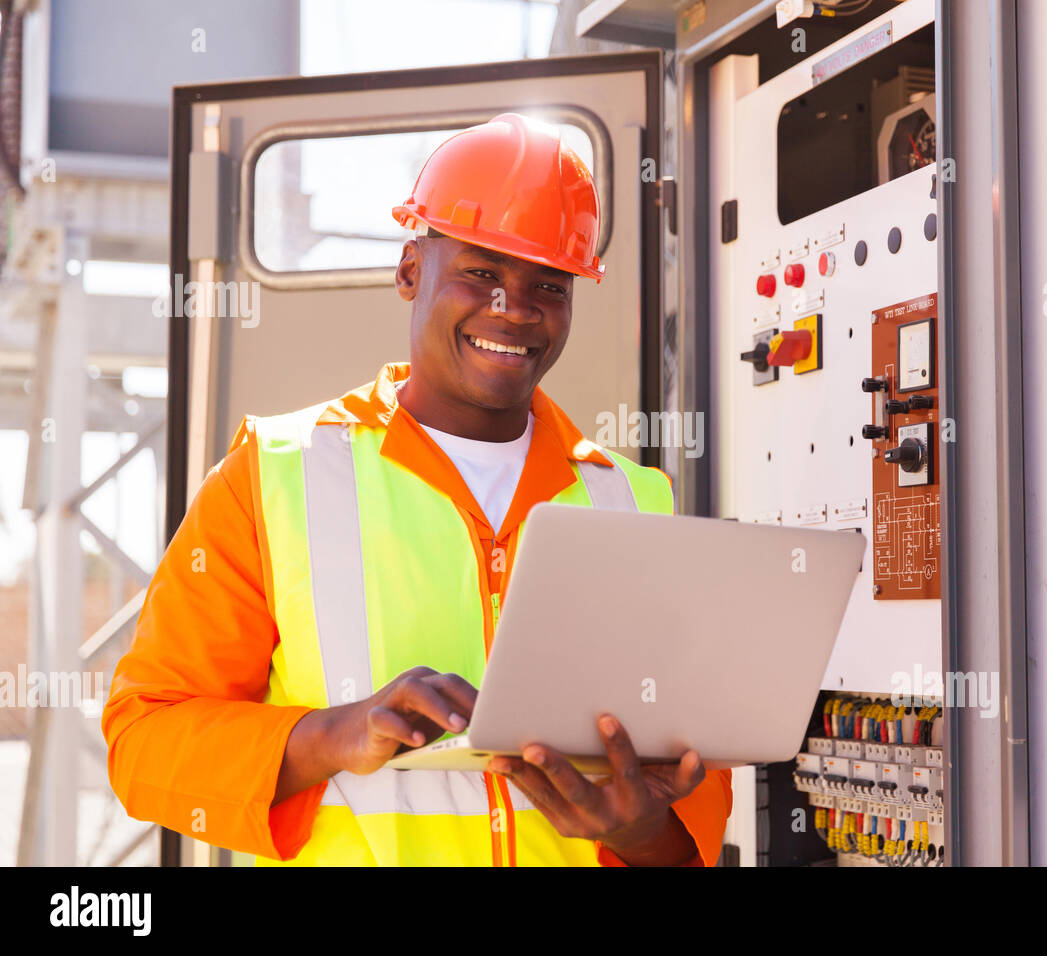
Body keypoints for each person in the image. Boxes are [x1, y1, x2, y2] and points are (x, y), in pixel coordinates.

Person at [103, 113, 732, 866]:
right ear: (409, 271)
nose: (515, 308)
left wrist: (638, 833)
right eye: (481, 272)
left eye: (547, 284)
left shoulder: (633, 501)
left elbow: (685, 827)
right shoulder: (273, 476)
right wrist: (333, 735)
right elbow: (146, 742)